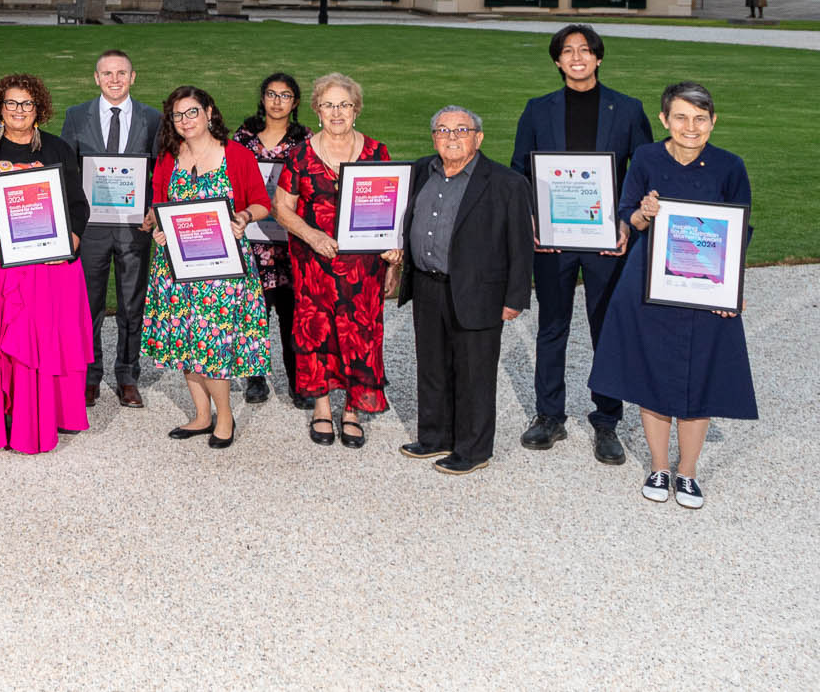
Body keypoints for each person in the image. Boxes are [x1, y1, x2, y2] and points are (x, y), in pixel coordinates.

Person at [591, 82, 756, 509]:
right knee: (652, 372)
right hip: (650, 284)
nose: (691, 126)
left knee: (700, 375)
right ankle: (660, 466)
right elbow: (630, 214)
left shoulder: (730, 166)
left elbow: (739, 234)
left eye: (700, 118)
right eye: (681, 117)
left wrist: (732, 291)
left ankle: (688, 472)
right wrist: (643, 212)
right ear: (664, 119)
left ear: (713, 121)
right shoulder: (646, 157)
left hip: (705, 287)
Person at [509, 24, 654, 463]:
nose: (577, 57)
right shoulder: (538, 110)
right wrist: (533, 219)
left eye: (585, 50)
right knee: (552, 326)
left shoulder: (627, 109)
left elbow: (642, 171)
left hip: (607, 239)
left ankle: (607, 420)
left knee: (605, 329)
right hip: (553, 240)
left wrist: (628, 222)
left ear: (598, 58)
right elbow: (520, 172)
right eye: (568, 51)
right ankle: (549, 416)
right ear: (557, 61)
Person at [0, 73, 94, 453]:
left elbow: (77, 205)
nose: (18, 111)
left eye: (26, 104)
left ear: (39, 109)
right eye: (11, 103)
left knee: (38, 335)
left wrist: (70, 242)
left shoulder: (58, 149)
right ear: (0, 107)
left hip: (42, 263)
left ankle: (37, 413)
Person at [395, 107, 533, 476]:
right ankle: (435, 435)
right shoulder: (422, 171)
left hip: (479, 291)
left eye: (461, 130)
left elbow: (521, 246)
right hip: (427, 284)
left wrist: (515, 298)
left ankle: (472, 449)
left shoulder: (507, 183)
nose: (451, 137)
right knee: (432, 366)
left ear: (479, 137)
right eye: (442, 130)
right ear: (433, 137)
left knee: (474, 373)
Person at [140, 86, 272, 449]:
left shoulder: (237, 156)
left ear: (209, 112)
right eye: (178, 115)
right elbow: (158, 204)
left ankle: (224, 416)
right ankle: (201, 415)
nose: (185, 121)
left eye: (192, 112)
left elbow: (262, 202)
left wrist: (245, 216)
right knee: (186, 341)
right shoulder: (169, 157)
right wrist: (158, 227)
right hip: (178, 267)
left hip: (223, 269)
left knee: (212, 345)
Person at [272, 72, 397, 449]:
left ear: (356, 110)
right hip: (314, 264)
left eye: (344, 104)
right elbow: (282, 209)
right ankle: (322, 407)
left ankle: (353, 410)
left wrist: (395, 261)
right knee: (317, 333)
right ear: (316, 110)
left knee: (360, 335)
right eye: (329, 105)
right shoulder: (300, 155)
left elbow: (392, 210)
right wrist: (312, 235)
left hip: (364, 269)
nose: (337, 112)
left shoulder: (377, 152)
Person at [59, 47, 162, 409]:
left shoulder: (153, 118)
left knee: (133, 304)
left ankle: (128, 375)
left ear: (132, 77)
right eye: (107, 74)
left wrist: (155, 209)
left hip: (135, 227)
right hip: (91, 228)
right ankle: (90, 375)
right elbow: (67, 174)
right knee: (89, 305)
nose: (114, 80)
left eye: (121, 73)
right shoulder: (76, 116)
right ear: (96, 78)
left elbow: (161, 172)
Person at [233, 73, 310, 408]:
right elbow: (232, 181)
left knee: (293, 318)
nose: (277, 101)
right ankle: (256, 379)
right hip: (252, 242)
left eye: (285, 95)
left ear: (295, 103)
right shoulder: (244, 138)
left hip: (291, 242)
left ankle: (299, 382)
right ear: (262, 98)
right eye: (271, 94)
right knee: (253, 315)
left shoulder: (305, 140)